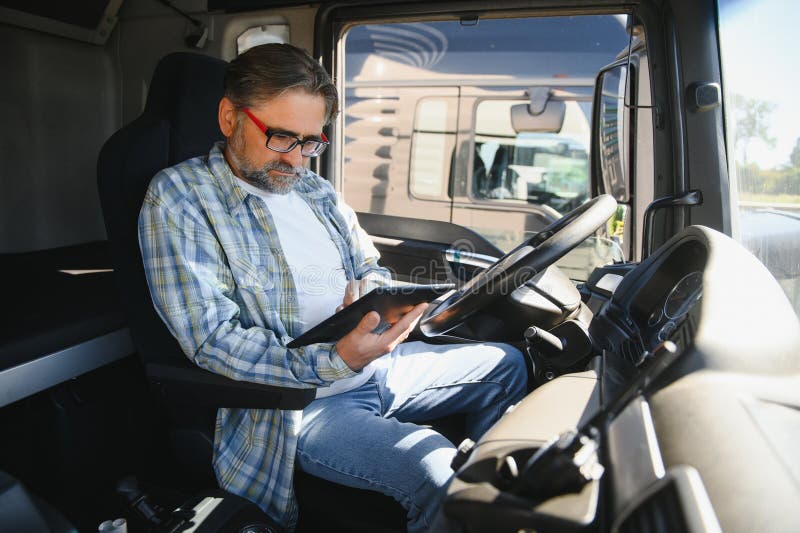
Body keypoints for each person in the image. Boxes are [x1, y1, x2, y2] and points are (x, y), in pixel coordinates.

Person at [138, 43, 526, 532]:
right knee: (439, 471)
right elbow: (211, 338)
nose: (298, 161)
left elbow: (369, 262)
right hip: (300, 408)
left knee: (507, 365)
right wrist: (336, 360)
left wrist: (373, 289)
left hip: (381, 369)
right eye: (281, 137)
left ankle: (494, 512)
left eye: (310, 141)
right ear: (229, 117)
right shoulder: (179, 198)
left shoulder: (316, 191)